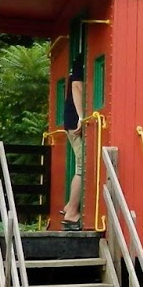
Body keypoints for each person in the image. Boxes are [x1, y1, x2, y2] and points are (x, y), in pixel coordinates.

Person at [60, 57, 87, 231]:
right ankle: (71, 213)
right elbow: (76, 87)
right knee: (82, 166)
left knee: (80, 164)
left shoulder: (77, 61)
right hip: (74, 119)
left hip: (70, 119)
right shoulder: (80, 61)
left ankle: (69, 206)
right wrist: (81, 117)